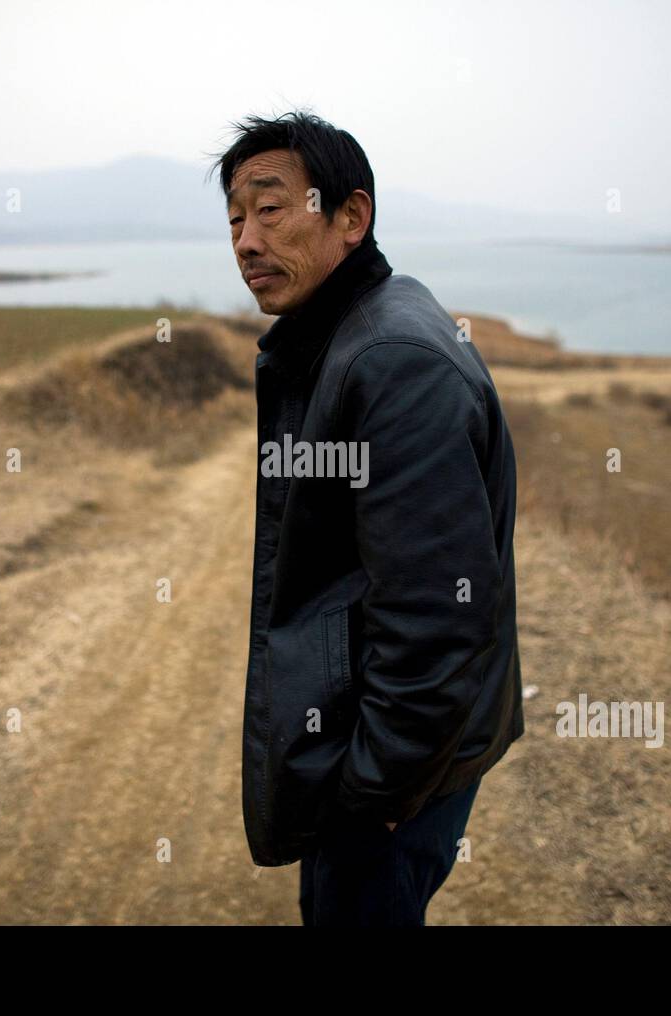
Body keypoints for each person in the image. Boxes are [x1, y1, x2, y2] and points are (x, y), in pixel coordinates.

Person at [212, 110, 524, 925]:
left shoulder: (391, 362)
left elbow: (439, 611)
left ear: (352, 217)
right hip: (376, 758)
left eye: (271, 209)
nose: (246, 240)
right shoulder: (351, 335)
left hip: (388, 781)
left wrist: (373, 790)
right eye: (235, 218)